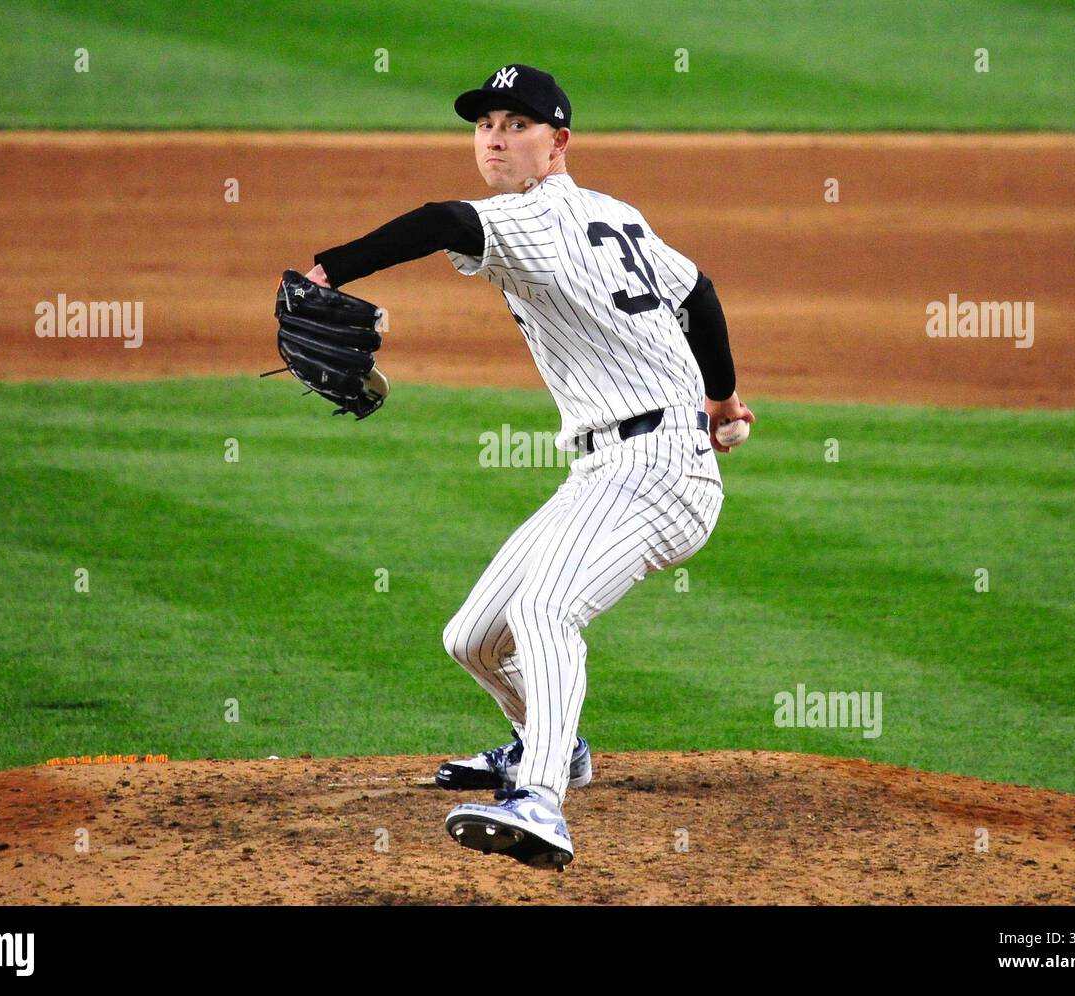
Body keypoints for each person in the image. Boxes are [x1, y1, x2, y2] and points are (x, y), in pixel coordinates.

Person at [307, 64, 752, 869]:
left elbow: (445, 219)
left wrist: (330, 267)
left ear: (559, 142)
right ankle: (552, 745)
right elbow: (702, 294)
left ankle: (542, 800)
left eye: (517, 124)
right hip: (614, 466)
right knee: (472, 639)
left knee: (546, 611)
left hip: (657, 469)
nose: (495, 139)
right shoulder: (614, 215)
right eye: (484, 125)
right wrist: (722, 400)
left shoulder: (539, 218)